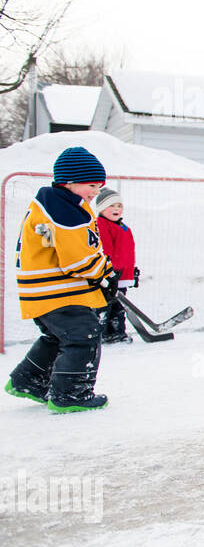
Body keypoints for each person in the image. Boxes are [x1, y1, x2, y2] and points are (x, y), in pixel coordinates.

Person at [5, 146, 120, 412]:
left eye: (99, 185)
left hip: (51, 290)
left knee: (58, 337)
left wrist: (102, 271)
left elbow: (80, 251)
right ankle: (70, 395)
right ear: (69, 181)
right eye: (91, 185)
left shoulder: (57, 204)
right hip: (56, 291)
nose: (96, 191)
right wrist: (104, 272)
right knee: (84, 335)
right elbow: (77, 259)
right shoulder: (62, 209)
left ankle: (30, 380)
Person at [94, 186, 136, 344]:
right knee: (104, 306)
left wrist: (132, 272)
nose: (116, 209)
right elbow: (106, 250)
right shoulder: (102, 225)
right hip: (109, 276)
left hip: (121, 275)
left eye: (119, 205)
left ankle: (117, 332)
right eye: (111, 205)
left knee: (119, 307)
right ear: (101, 208)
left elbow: (127, 253)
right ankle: (101, 334)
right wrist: (110, 270)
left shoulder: (123, 227)